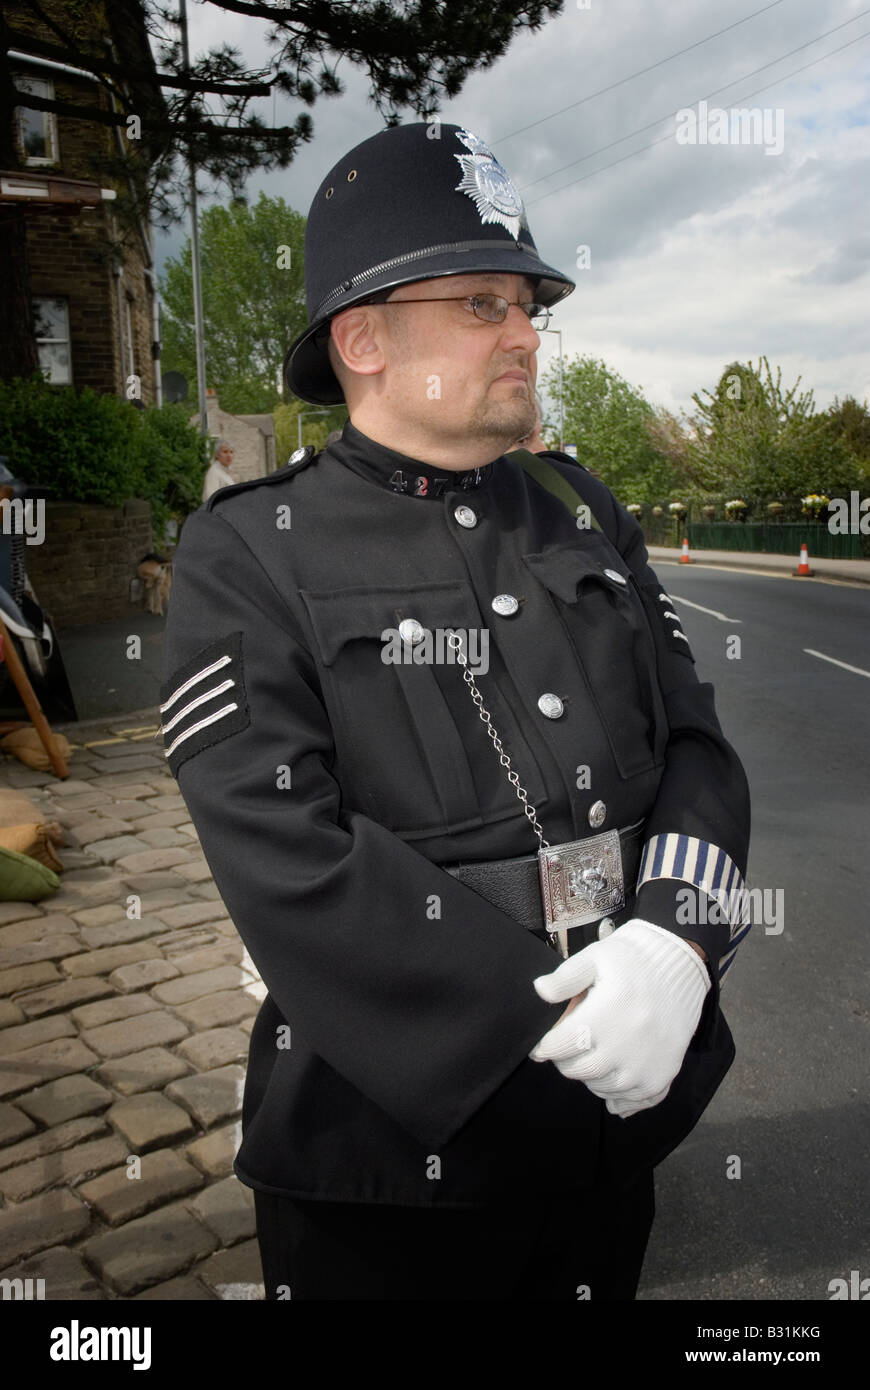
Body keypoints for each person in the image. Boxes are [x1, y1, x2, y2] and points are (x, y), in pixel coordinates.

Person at [160, 122, 751, 1302]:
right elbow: (287, 857)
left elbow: (696, 741)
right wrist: (535, 1018)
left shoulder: (577, 508)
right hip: (392, 1161)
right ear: (364, 337)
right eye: (484, 302)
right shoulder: (248, 553)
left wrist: (679, 939)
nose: (527, 329)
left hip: (616, 1117)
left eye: (529, 301)